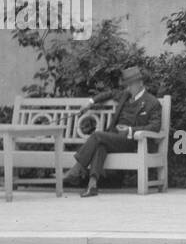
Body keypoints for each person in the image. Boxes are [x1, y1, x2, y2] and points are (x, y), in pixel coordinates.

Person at [62, 65, 163, 197]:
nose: (127, 88)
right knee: (100, 145)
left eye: (130, 85)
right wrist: (90, 102)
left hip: (132, 140)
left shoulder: (152, 102)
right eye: (126, 85)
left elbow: (155, 126)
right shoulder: (125, 95)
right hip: (115, 137)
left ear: (140, 83)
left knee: (98, 136)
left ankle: (76, 169)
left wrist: (131, 130)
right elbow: (108, 94)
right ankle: (92, 186)